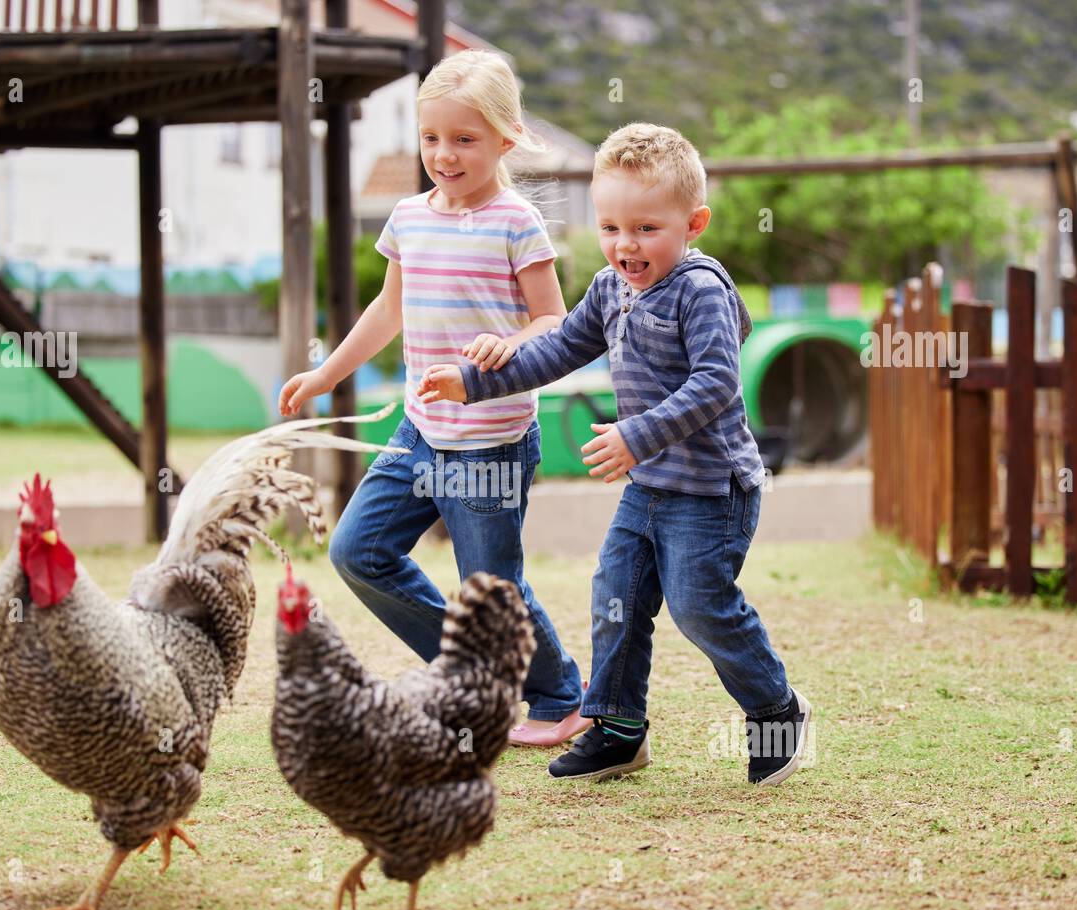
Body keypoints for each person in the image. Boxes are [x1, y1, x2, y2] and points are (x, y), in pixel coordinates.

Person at [419, 123, 811, 785]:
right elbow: (556, 350)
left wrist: (636, 436)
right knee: (615, 598)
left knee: (696, 603)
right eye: (610, 228)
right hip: (649, 487)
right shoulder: (609, 289)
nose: (625, 246)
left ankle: (776, 708)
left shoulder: (700, 292)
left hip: (712, 490)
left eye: (646, 229)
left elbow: (716, 383)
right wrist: (478, 382)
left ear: (695, 223)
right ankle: (618, 730)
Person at [279, 50, 586, 746]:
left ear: (506, 138)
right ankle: (466, 678)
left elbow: (553, 321)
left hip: (492, 438)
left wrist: (509, 346)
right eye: (431, 139)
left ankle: (563, 696)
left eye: (464, 140)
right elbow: (388, 311)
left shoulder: (516, 222)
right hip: (417, 433)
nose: (444, 155)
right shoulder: (409, 218)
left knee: (491, 587)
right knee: (358, 551)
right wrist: (326, 374)